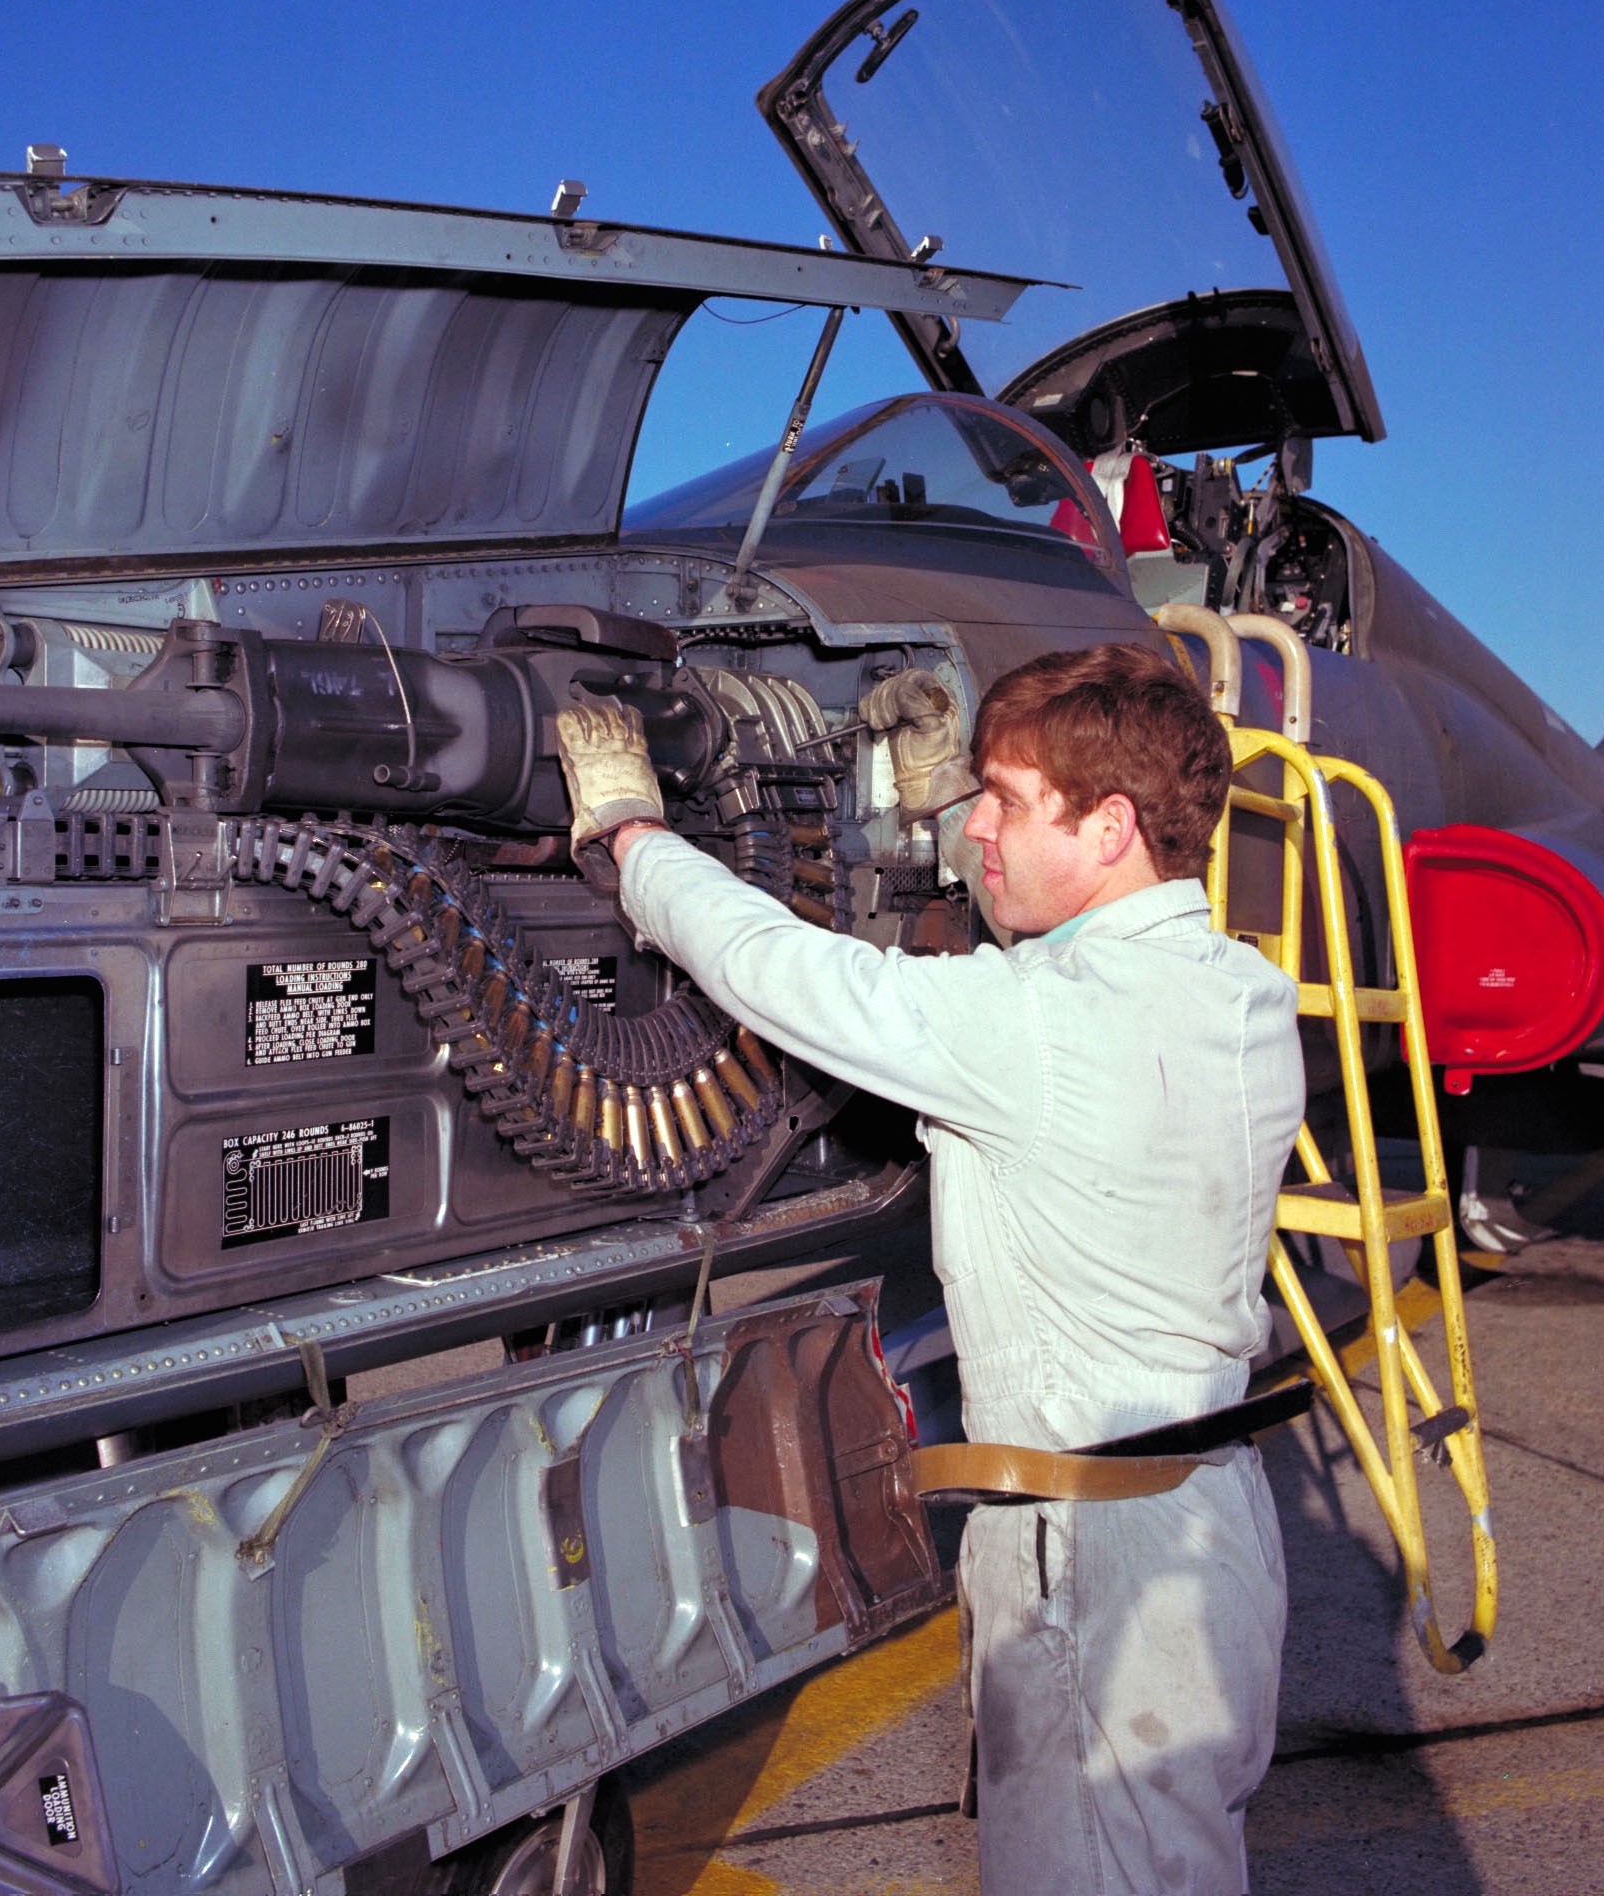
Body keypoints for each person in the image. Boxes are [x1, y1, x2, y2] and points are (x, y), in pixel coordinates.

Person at [556, 643, 1305, 1895]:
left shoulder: (1035, 1025)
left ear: (1112, 825)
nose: (986, 829)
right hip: (1208, 1528)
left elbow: (783, 971)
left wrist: (633, 836)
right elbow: (1037, 961)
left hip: (1092, 1558)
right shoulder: (1240, 993)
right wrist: (952, 812)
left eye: (1008, 802)